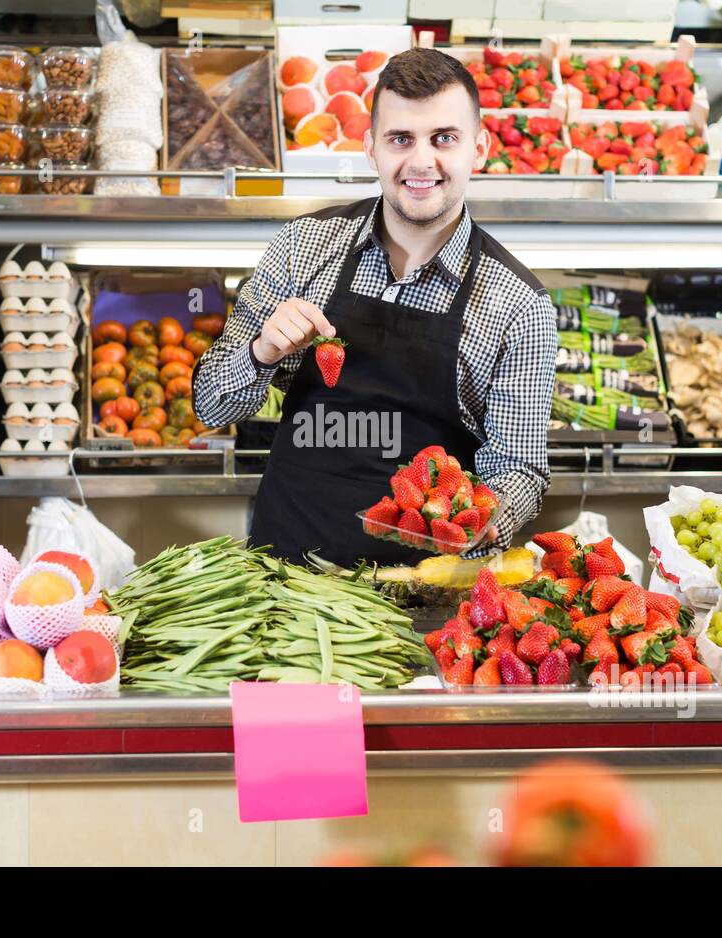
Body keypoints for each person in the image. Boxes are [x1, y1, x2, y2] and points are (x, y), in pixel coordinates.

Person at [192, 47, 556, 565]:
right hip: (284, 572)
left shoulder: (519, 305)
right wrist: (260, 352)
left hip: (425, 595)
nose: (421, 161)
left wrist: (484, 517)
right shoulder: (302, 246)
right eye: (401, 139)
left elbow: (518, 467)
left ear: (478, 149)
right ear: (371, 149)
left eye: (444, 139)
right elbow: (210, 407)